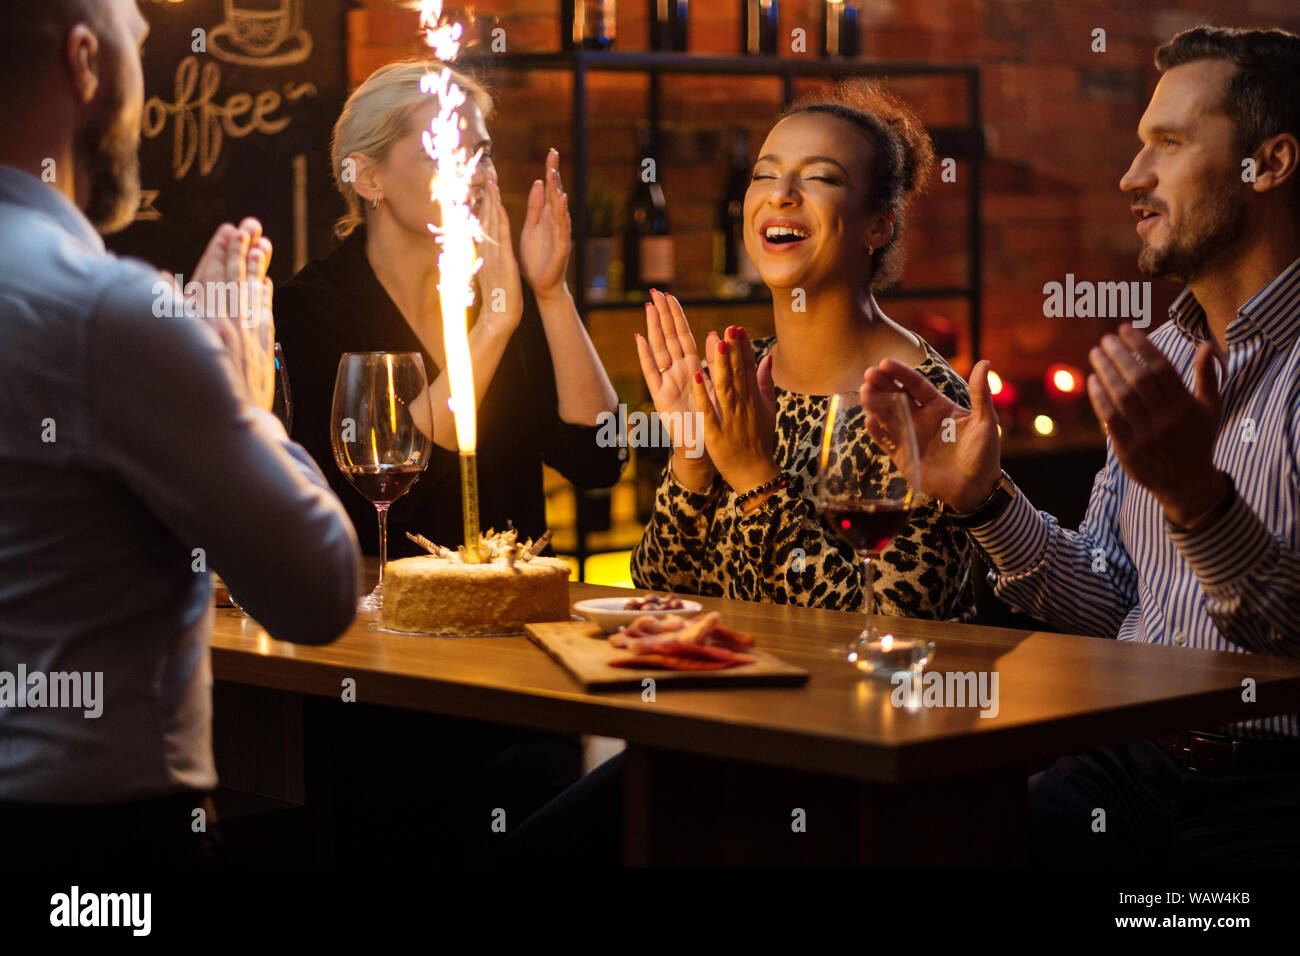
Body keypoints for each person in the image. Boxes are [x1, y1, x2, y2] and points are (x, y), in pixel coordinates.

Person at [860, 25, 1300, 864]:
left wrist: (1199, 502)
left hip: (1275, 798)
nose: (1131, 177)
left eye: (1167, 145)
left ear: (1269, 163)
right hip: (1125, 772)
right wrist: (985, 499)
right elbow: (1113, 601)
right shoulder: (1159, 355)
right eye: (1140, 146)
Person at [0, 0, 361, 865]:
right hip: (94, 844)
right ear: (85, 64)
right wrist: (239, 395)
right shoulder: (106, 313)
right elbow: (318, 590)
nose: (145, 58)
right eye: (135, 35)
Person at [630, 81, 974, 621]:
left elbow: (890, 624)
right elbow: (657, 591)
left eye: (819, 178)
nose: (780, 193)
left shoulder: (925, 403)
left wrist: (756, 481)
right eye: (763, 175)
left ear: (879, 225)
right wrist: (693, 460)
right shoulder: (737, 382)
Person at [275, 60, 625, 558]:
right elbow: (377, 497)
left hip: (514, 613)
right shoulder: (308, 309)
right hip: (385, 618)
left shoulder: (500, 288)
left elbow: (598, 460)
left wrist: (551, 293)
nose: (475, 175)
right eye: (443, 154)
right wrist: (492, 329)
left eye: (482, 154)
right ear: (369, 177)